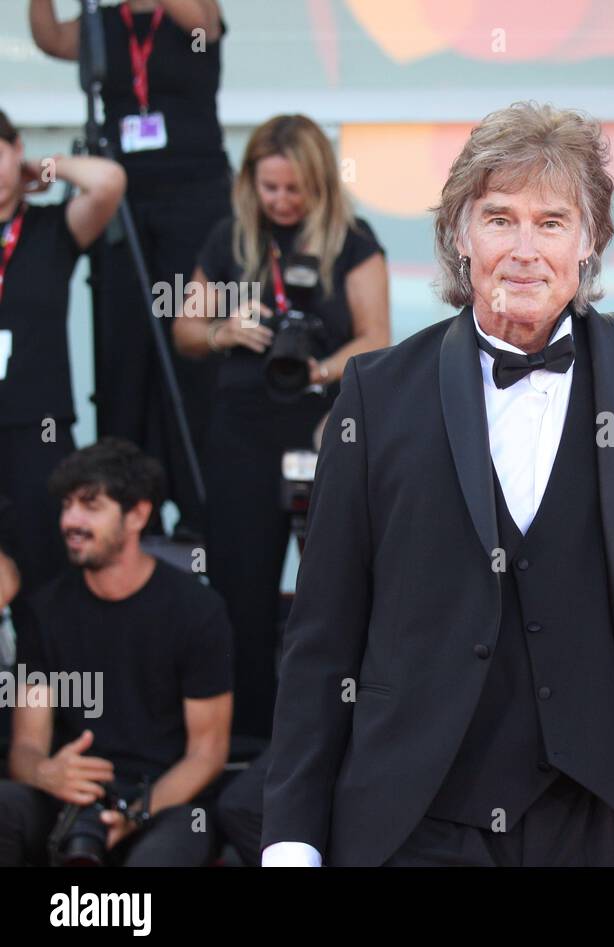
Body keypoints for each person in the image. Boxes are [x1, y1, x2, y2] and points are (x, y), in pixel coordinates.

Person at [260, 101, 614, 867]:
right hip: (412, 815)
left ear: (590, 239)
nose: (524, 250)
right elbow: (322, 631)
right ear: (459, 235)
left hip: (598, 806)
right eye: (499, 219)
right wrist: (291, 840)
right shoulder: (376, 393)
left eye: (552, 221)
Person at [173, 113, 390, 739]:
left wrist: (319, 371)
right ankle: (248, 740)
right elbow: (184, 331)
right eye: (270, 188)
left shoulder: (351, 239)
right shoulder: (230, 239)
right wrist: (223, 330)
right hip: (240, 431)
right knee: (240, 585)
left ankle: (343, 731)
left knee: (336, 588)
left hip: (323, 429)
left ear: (319, 183)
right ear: (251, 183)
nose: (282, 201)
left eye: (294, 189)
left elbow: (376, 340)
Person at [29, 0, 231, 537]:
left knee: (187, 349)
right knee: (123, 355)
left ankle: (199, 510)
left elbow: (201, 22)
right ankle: (128, 507)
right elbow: (51, 39)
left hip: (191, 199)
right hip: (122, 203)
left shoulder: (191, 17)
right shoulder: (103, 24)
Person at [0, 438, 233, 866]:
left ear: (138, 514)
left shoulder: (197, 611)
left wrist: (134, 814)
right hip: (71, 795)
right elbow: (25, 746)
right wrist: (44, 772)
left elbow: (207, 753)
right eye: (67, 505)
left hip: (162, 799)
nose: (70, 520)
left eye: (90, 505)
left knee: (168, 850)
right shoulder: (45, 611)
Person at [0, 108, 126, 623]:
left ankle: (44, 693)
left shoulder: (49, 228)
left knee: (46, 567)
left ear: (15, 149)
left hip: (38, 425)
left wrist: (45, 168)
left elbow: (108, 181)